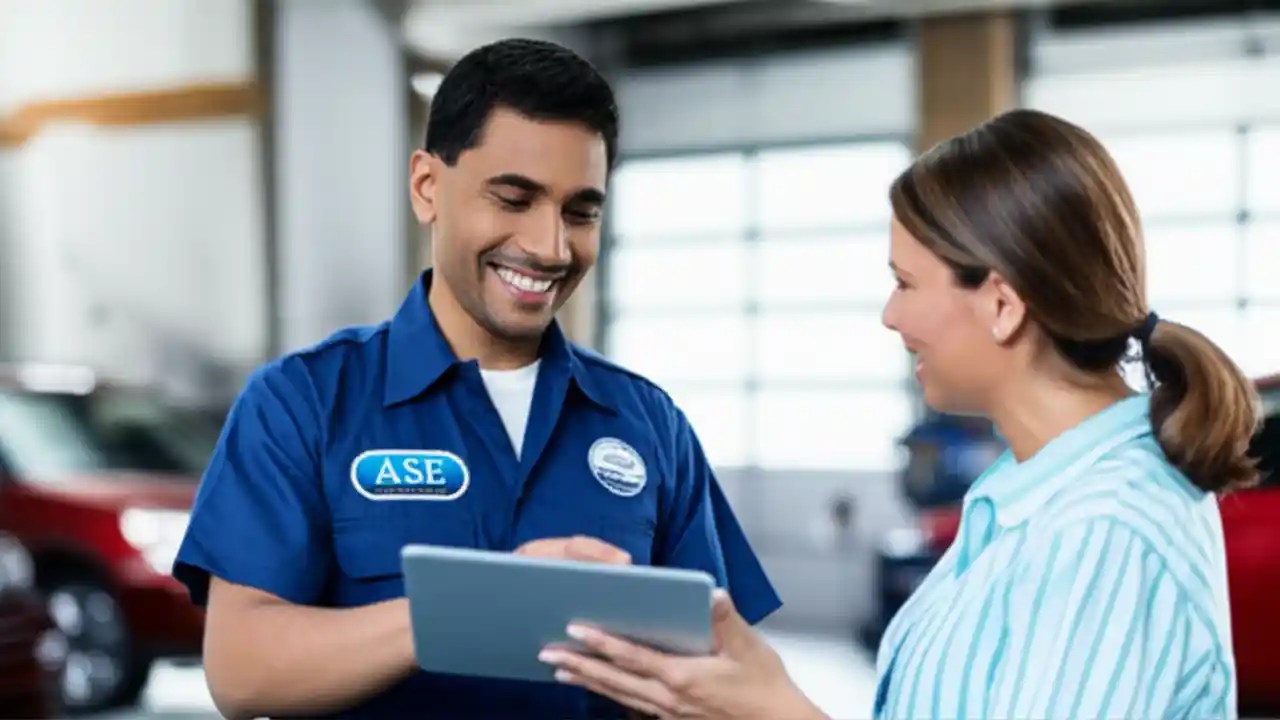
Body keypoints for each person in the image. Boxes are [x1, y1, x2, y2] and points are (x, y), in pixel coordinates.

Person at [541, 108, 1261, 720]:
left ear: (1003, 304)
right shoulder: (1033, 499)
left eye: (906, 283)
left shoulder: (1102, 534)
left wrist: (777, 711)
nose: (891, 316)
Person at [172, 37, 780, 720]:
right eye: (514, 198)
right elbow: (242, 671)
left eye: (580, 212)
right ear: (428, 187)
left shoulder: (648, 424)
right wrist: (484, 606)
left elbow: (722, 668)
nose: (551, 247)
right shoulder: (304, 404)